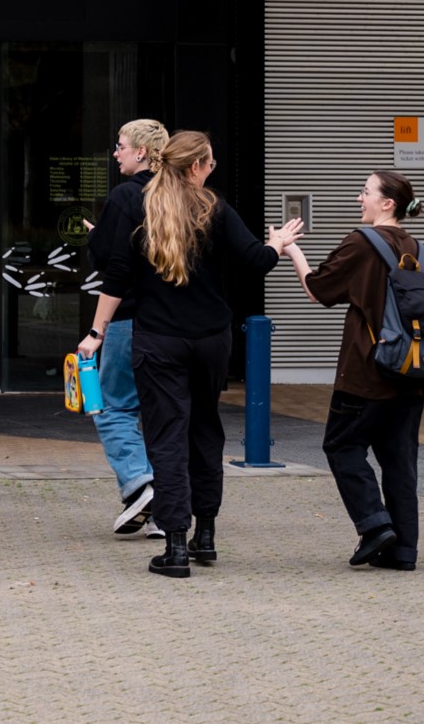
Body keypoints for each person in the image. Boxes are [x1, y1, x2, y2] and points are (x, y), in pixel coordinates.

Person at [93, 131, 298, 578]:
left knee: (166, 437)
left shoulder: (139, 205)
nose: (214, 168)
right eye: (210, 162)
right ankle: (206, 535)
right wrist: (278, 242)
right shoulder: (214, 206)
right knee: (205, 429)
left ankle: (175, 546)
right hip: (210, 338)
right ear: (196, 166)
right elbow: (257, 263)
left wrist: (96, 332)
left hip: (158, 340)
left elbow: (116, 276)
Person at [276, 170, 424, 571]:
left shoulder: (362, 243)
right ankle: (403, 551)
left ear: (387, 203)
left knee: (342, 446)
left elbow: (317, 290)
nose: (358, 199)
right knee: (399, 461)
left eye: (365, 192)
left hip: (365, 372)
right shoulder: (417, 248)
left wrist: (291, 251)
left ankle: (375, 525)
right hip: (411, 374)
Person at [73, 118, 171, 539]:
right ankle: (166, 511)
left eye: (121, 146)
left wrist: (96, 331)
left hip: (129, 319)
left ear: (142, 153)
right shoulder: (182, 195)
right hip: (178, 323)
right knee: (165, 416)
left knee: (113, 408)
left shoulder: (125, 196)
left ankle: (139, 485)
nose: (115, 153)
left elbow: (113, 266)